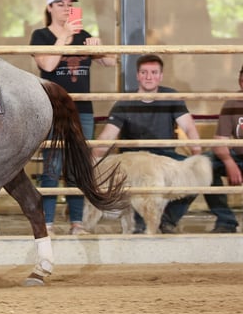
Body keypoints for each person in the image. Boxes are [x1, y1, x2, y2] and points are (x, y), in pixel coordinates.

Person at [92, 54, 235, 233]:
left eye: (153, 72)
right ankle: (141, 224)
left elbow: (189, 127)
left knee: (203, 168)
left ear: (160, 76)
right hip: (135, 162)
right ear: (137, 75)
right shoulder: (124, 102)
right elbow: (107, 137)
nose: (149, 77)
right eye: (144, 72)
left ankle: (173, 220)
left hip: (165, 156)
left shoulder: (170, 96)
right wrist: (93, 159)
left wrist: (197, 152)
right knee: (140, 226)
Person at [30, 0, 115, 235]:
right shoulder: (42, 35)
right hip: (53, 109)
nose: (66, 8)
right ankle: (46, 225)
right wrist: (64, 37)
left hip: (82, 111)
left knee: (79, 167)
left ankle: (77, 223)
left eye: (69, 4)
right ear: (49, 8)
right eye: (60, 4)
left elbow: (110, 62)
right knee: (52, 168)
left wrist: (99, 47)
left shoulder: (83, 34)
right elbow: (47, 64)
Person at [207, 65, 243, 233]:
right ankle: (226, 221)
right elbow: (220, 140)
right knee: (204, 164)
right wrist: (229, 162)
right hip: (237, 157)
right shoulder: (232, 102)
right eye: (242, 82)